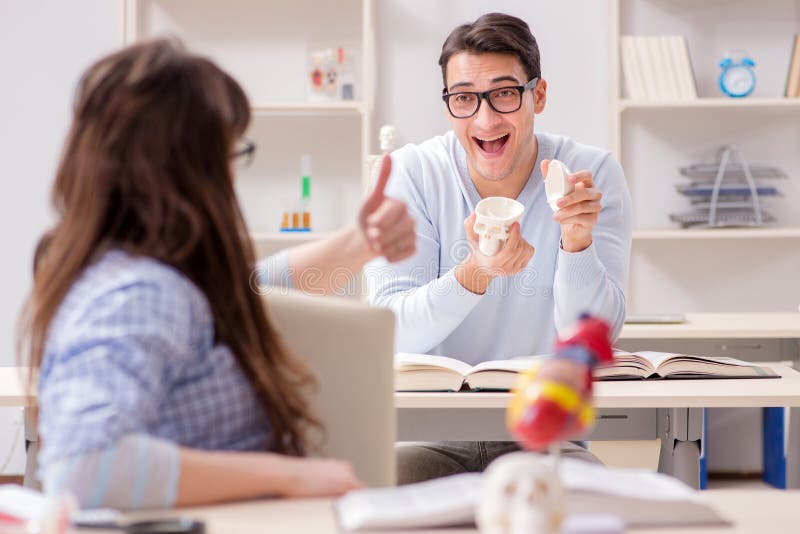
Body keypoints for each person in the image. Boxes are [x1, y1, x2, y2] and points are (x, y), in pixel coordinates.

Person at [18, 37, 415, 510]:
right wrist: (289, 476)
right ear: (189, 167)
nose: (233, 174)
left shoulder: (158, 277)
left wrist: (361, 243)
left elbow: (263, 285)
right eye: (229, 152)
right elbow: (83, 468)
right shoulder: (144, 291)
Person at [365, 13, 632, 483]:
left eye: (505, 93)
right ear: (448, 104)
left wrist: (576, 243)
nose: (485, 120)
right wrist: (475, 273)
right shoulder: (411, 174)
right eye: (464, 98)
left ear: (538, 95)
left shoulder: (589, 175)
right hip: (428, 435)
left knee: (597, 504)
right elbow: (391, 333)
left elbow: (598, 336)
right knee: (380, 498)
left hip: (548, 442)